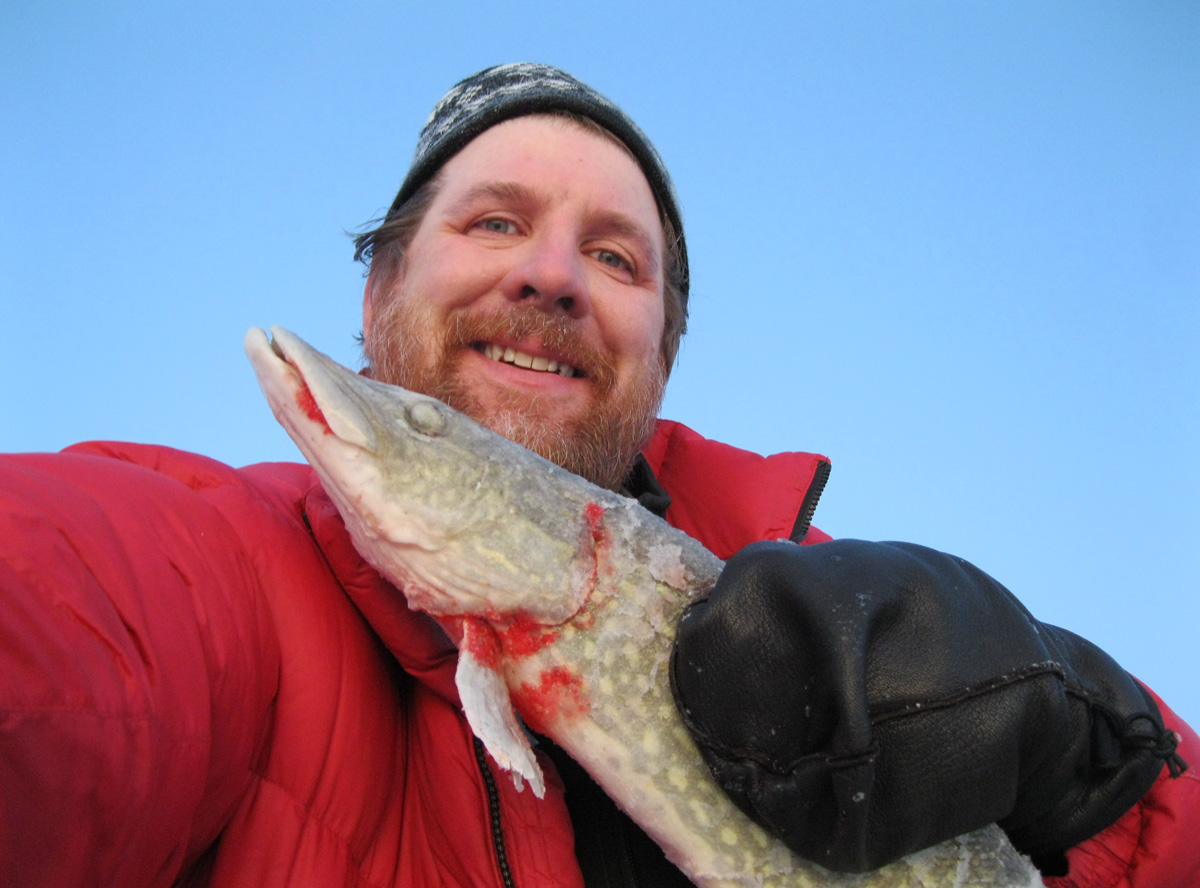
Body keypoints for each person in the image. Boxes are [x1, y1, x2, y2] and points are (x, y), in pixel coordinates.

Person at [0, 63, 1196, 888]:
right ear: (377, 298)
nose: (555, 275)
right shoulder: (218, 568)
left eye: (616, 256)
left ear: (660, 352)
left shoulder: (850, 628)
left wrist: (1096, 772)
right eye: (494, 224)